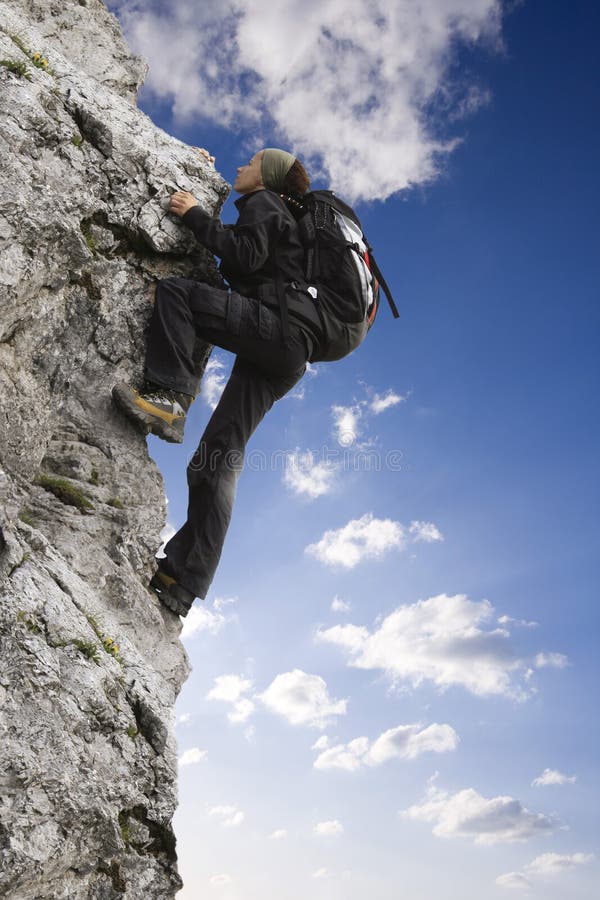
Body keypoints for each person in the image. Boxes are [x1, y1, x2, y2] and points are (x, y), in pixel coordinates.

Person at [113, 147, 325, 616]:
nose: (240, 167)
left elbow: (244, 257)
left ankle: (167, 398)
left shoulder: (266, 203)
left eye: (249, 162)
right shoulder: (287, 218)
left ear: (267, 176)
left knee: (178, 294)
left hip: (275, 329)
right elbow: (254, 259)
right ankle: (180, 582)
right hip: (288, 355)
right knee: (215, 460)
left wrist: (193, 214)